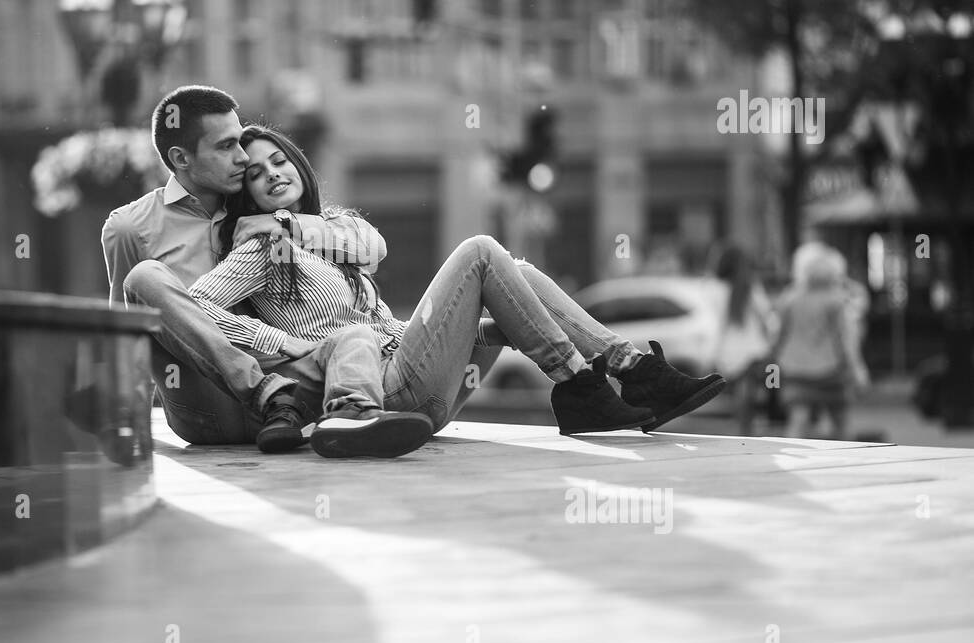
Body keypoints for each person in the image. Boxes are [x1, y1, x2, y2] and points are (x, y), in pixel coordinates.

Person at [188, 124, 728, 457]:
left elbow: (372, 246)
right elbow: (197, 307)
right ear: (247, 193)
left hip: (418, 385)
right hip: (379, 395)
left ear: (298, 163)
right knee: (479, 251)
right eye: (256, 174)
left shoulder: (332, 230)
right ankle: (582, 384)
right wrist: (283, 345)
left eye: (279, 160)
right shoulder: (258, 250)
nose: (272, 174)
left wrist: (294, 227)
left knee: (520, 274)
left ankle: (631, 369)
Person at [101, 85, 389, 449]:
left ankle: (338, 416)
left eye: (239, 142)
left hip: (292, 398)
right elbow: (127, 331)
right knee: (146, 280)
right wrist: (126, 425)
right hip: (207, 400)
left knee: (352, 344)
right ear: (181, 158)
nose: (243, 158)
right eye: (225, 147)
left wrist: (285, 224)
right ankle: (264, 392)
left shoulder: (256, 203)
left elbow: (370, 247)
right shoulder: (131, 226)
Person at [770, 241, 871, 439]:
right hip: (831, 370)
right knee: (840, 421)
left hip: (795, 369)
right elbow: (846, 339)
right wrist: (858, 369)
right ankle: (844, 462)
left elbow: (777, 335)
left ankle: (793, 463)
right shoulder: (837, 300)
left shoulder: (789, 299)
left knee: (798, 420)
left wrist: (772, 364)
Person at [710, 244, 777, 435]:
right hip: (754, 348)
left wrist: (713, 353)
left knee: (740, 393)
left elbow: (715, 324)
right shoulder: (749, 285)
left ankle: (743, 428)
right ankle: (750, 428)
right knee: (751, 390)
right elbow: (765, 315)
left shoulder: (713, 288)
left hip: (728, 350)